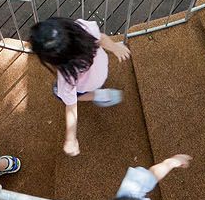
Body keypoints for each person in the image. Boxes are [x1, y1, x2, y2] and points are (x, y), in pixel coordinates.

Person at [27, 16, 129, 157]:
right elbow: (102, 38)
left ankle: (100, 95)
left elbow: (71, 106)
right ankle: (101, 94)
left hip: (87, 86)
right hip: (101, 72)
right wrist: (115, 48)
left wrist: (71, 138)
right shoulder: (83, 28)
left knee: (59, 92)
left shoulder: (67, 78)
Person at [100, 153, 191, 200]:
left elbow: (153, 174)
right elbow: (154, 173)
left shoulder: (129, 191)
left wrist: (171, 163)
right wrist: (172, 162)